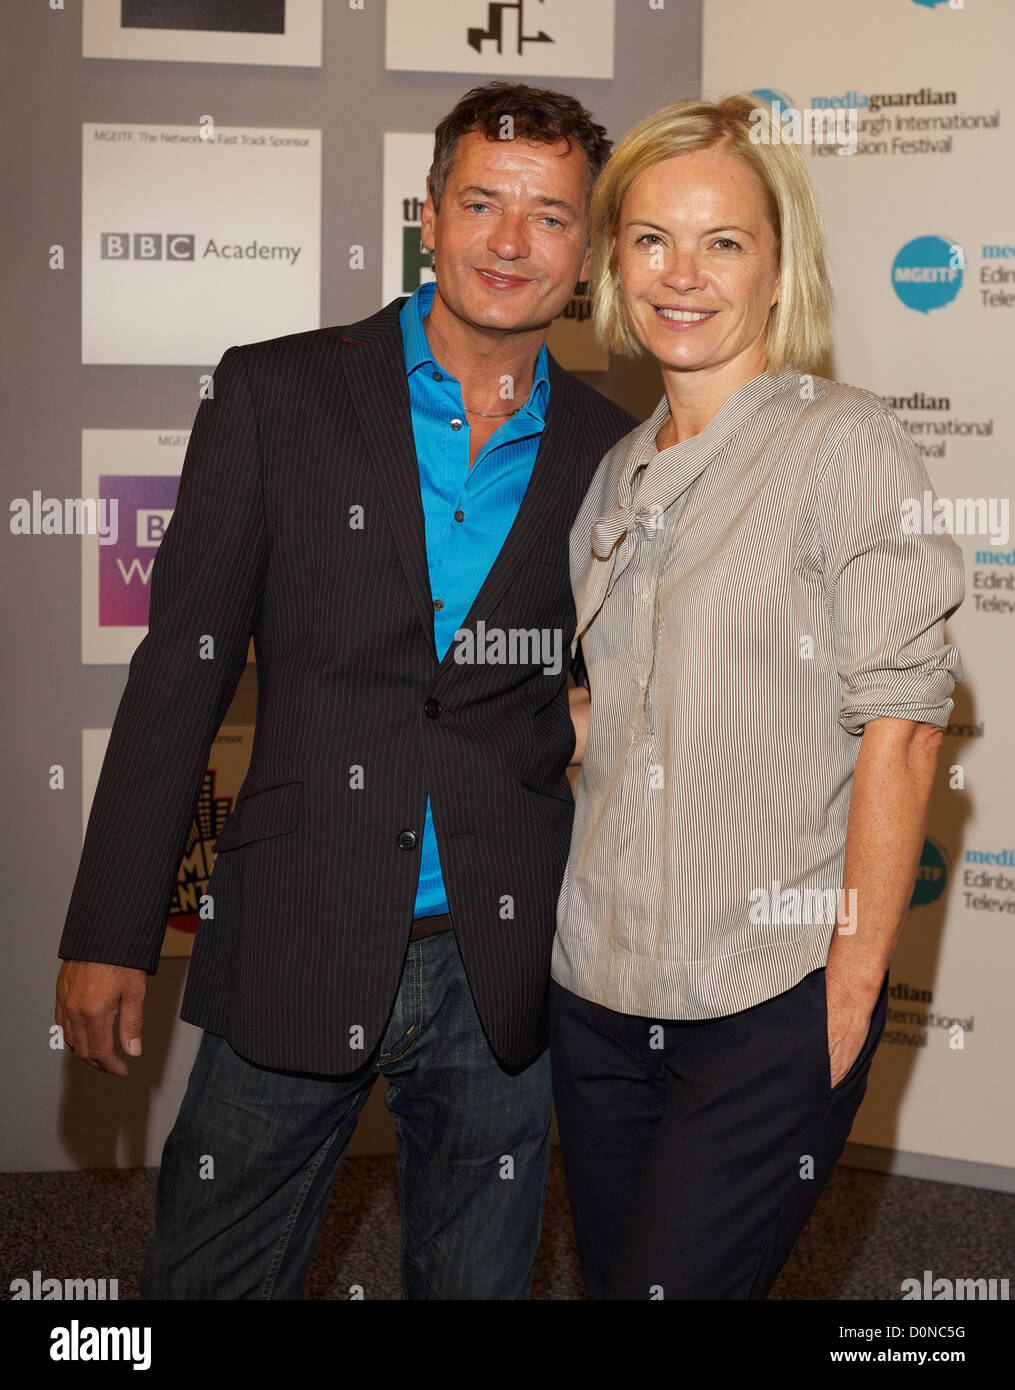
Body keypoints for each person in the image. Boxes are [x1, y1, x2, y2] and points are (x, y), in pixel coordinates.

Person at [55, 81, 635, 1301]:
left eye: (548, 217)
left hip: (505, 962)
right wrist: (112, 927)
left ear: (586, 252)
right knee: (202, 1285)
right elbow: (184, 668)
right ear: (428, 215)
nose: (508, 243)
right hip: (298, 928)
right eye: (481, 203)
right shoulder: (275, 392)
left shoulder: (613, 447)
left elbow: (622, 683)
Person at [552, 94, 964, 1300]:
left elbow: (901, 732)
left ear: (778, 270)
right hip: (598, 996)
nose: (683, 275)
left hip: (763, 998)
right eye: (650, 239)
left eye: (722, 242)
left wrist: (847, 987)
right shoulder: (614, 472)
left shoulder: (845, 446)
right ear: (614, 265)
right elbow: (616, 719)